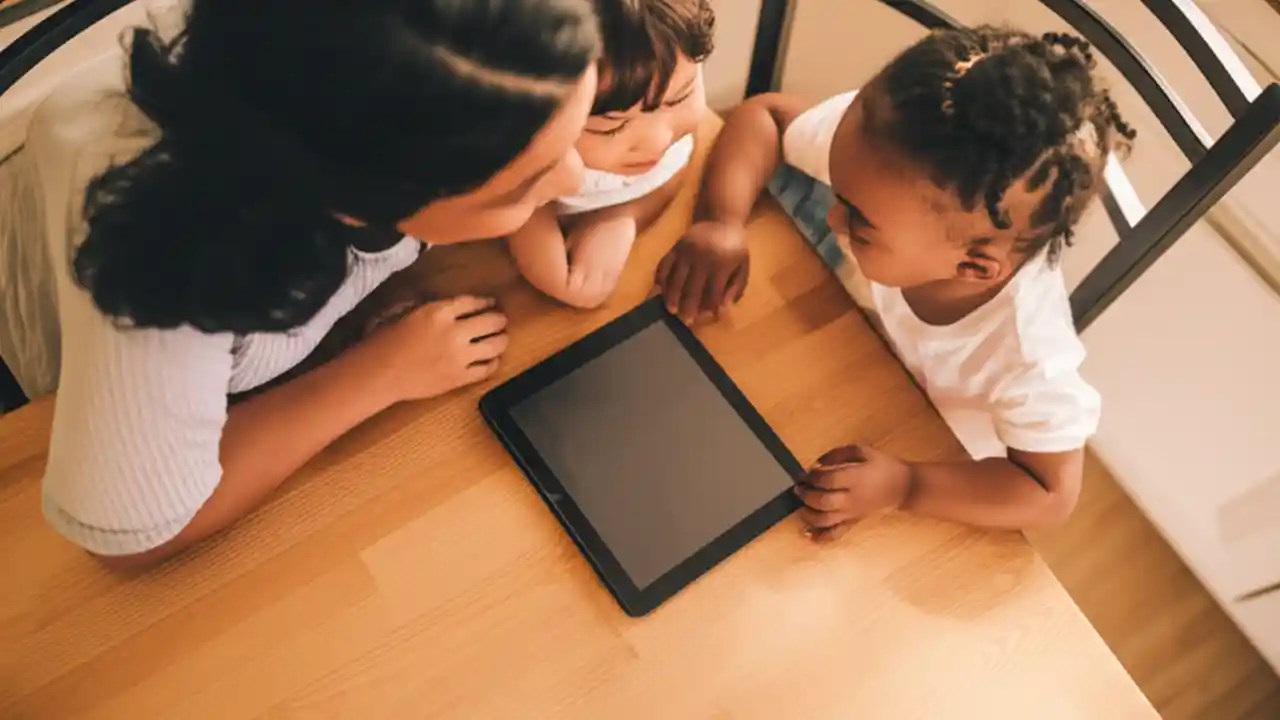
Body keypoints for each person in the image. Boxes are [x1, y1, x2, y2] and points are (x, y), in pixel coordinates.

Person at [35, 0, 601, 566]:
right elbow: (134, 536)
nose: (576, 176)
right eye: (520, 189)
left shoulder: (496, 58)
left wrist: (624, 216)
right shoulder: (167, 263)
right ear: (360, 201)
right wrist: (380, 373)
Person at [656, 26, 1137, 536]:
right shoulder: (884, 160)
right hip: (834, 352)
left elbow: (1050, 494)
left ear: (973, 267)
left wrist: (906, 486)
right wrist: (721, 221)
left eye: (858, 219)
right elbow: (768, 116)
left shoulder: (1026, 356)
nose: (835, 220)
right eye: (840, 194)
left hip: (915, 453)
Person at [508, 0, 713, 309]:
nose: (658, 141)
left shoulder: (666, 64)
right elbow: (516, 205)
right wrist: (557, 276)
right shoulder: (534, 146)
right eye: (611, 128)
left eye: (680, 97)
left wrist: (623, 216)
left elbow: (676, 164)